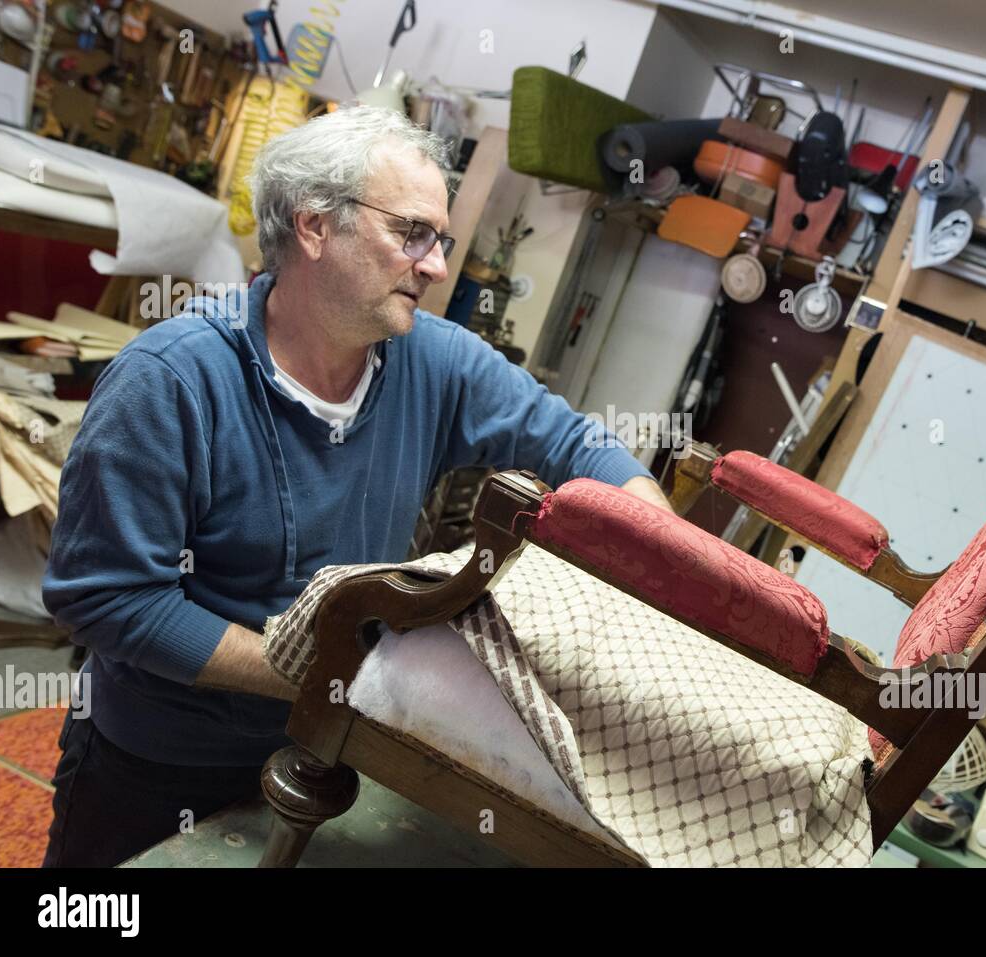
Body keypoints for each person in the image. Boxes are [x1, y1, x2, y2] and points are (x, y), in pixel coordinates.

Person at [41, 106, 667, 867]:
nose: (437, 264)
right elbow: (107, 599)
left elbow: (578, 444)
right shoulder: (170, 382)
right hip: (158, 763)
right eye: (412, 234)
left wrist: (672, 560)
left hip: (330, 746)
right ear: (313, 227)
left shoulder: (433, 361)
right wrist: (328, 666)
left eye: (438, 238)